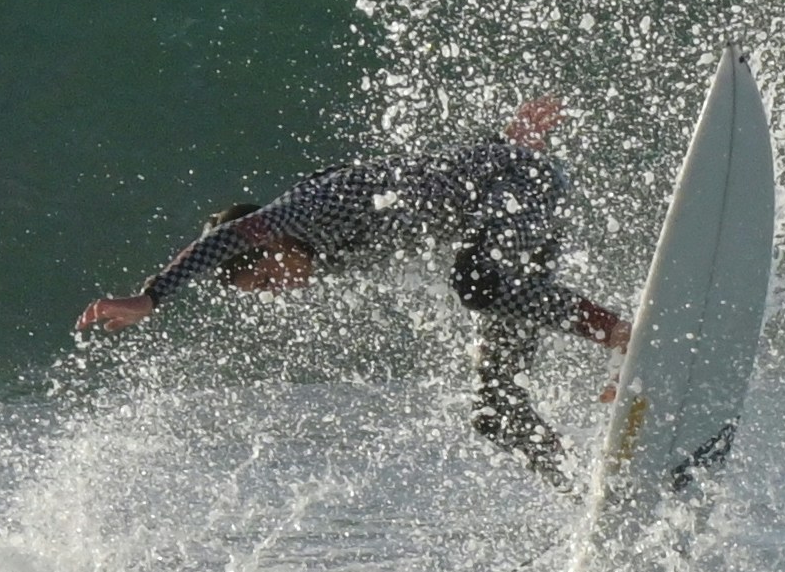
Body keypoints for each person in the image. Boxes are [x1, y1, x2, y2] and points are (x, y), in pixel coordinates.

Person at [77, 97, 629, 478]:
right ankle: (585, 489)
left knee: (474, 280)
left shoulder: (306, 209)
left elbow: (227, 239)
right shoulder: (319, 250)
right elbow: (434, 177)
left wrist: (152, 295)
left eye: (267, 275)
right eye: (263, 290)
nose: (276, 290)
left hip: (520, 189)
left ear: (270, 239)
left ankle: (619, 334)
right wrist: (509, 137)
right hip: (504, 219)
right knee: (494, 408)